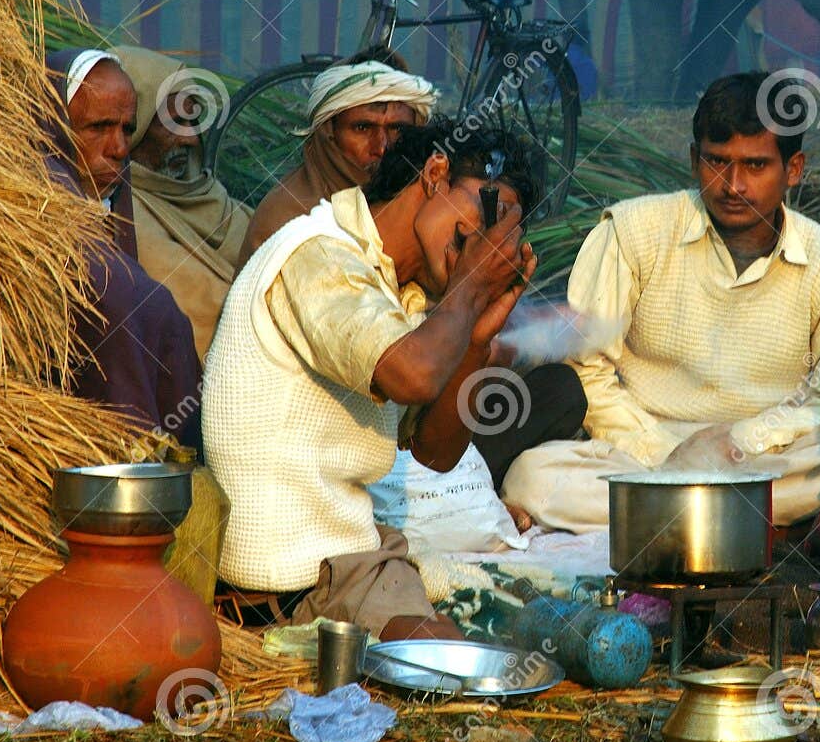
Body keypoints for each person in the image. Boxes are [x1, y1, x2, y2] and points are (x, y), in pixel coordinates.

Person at [204, 121, 581, 640]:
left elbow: (435, 452)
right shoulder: (319, 253)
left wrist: (476, 338)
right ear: (435, 172)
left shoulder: (397, 291)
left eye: (500, 236)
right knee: (459, 656)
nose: (481, 244)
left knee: (524, 632)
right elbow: (413, 376)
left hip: (350, 558)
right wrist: (469, 291)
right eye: (482, 215)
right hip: (286, 580)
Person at [502, 71, 820, 533]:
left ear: (795, 168)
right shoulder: (632, 232)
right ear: (693, 159)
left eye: (756, 165)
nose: (733, 185)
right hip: (642, 452)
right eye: (718, 162)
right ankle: (744, 521)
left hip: (771, 459)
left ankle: (659, 519)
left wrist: (741, 443)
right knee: (533, 477)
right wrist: (666, 457)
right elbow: (589, 370)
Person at [44, 48, 201, 446]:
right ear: (52, 127)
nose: (118, 148)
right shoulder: (36, 205)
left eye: (127, 129)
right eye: (97, 127)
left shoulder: (109, 207)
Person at [110, 45, 253, 360]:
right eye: (174, 124)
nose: (190, 138)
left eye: (193, 122)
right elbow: (205, 309)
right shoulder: (129, 213)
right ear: (135, 126)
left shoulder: (203, 192)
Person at [237, 54, 434, 266]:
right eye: (363, 128)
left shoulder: (426, 202)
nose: (381, 147)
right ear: (329, 130)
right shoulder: (291, 220)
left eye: (397, 129)